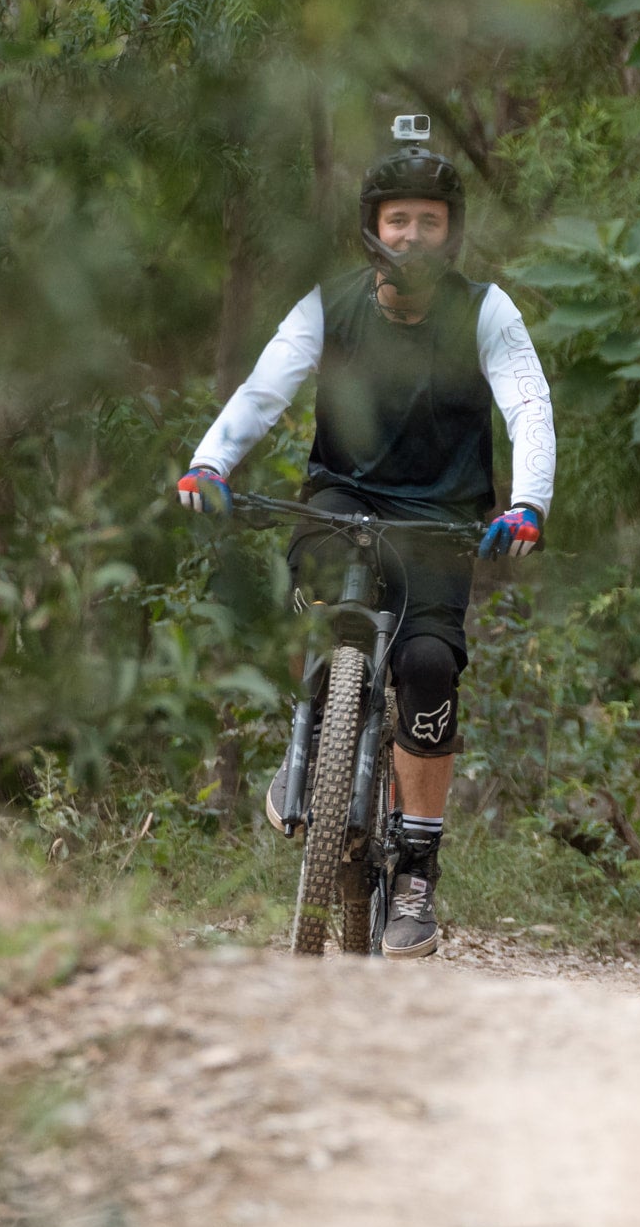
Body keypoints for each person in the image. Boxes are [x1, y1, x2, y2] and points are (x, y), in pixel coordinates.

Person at [176, 119, 555, 958]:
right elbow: (266, 387)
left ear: (452, 231)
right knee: (316, 594)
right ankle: (313, 736)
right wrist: (210, 463)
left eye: (429, 221)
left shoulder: (485, 311)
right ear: (373, 226)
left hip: (441, 520)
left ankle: (415, 866)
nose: (412, 236)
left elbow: (528, 406)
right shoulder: (330, 305)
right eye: (398, 220)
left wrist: (528, 503)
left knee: (427, 665)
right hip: (342, 499)